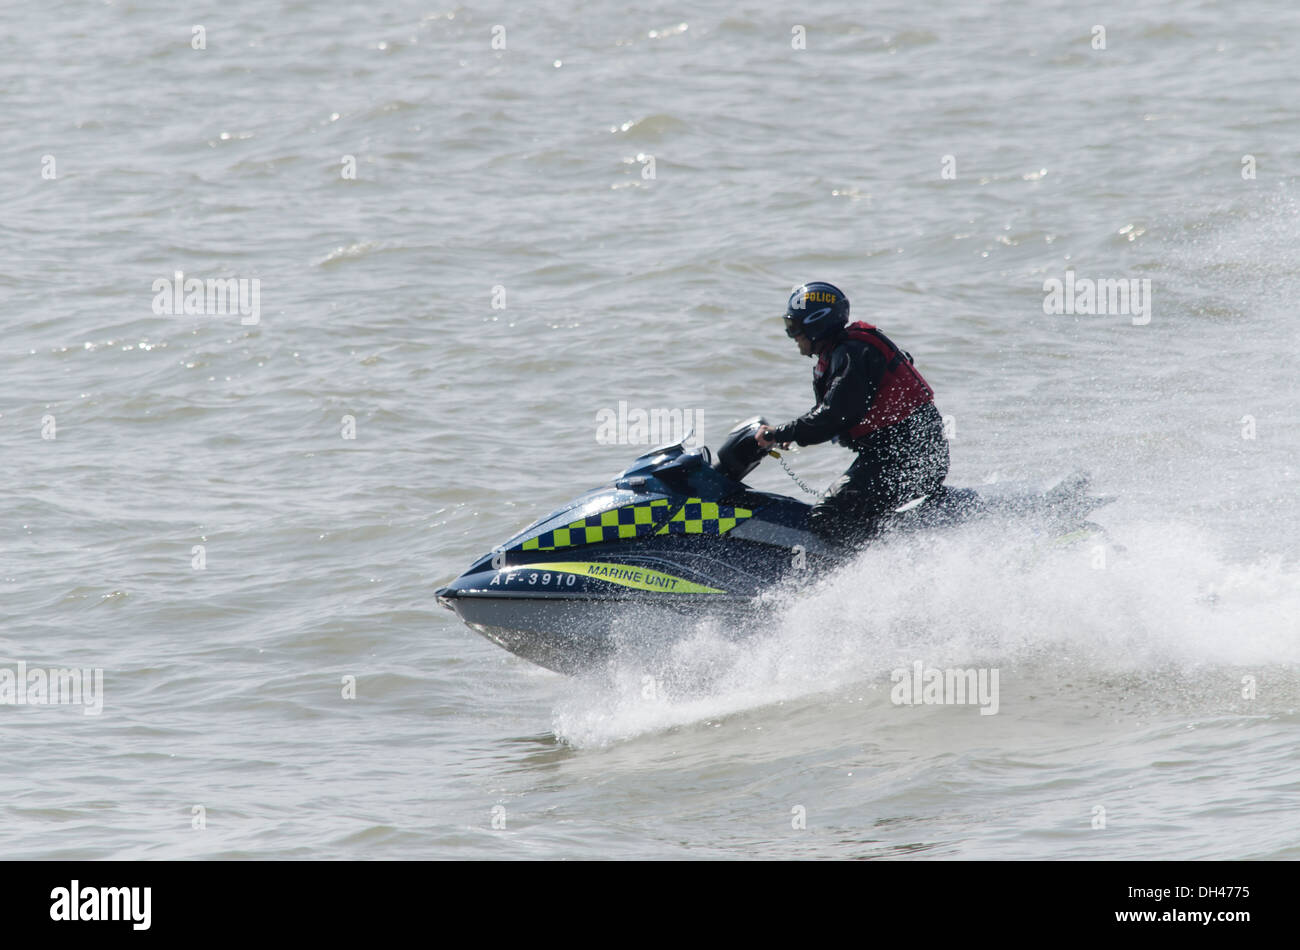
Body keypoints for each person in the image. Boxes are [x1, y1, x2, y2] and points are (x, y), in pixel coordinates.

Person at [755, 281, 949, 546]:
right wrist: (790, 434)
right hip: (903, 457)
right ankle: (886, 545)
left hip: (913, 461)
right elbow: (833, 412)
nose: (792, 335)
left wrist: (780, 432)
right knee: (846, 507)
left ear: (815, 325)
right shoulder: (844, 352)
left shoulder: (853, 354)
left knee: (829, 515)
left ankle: (881, 565)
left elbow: (834, 416)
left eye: (794, 327)